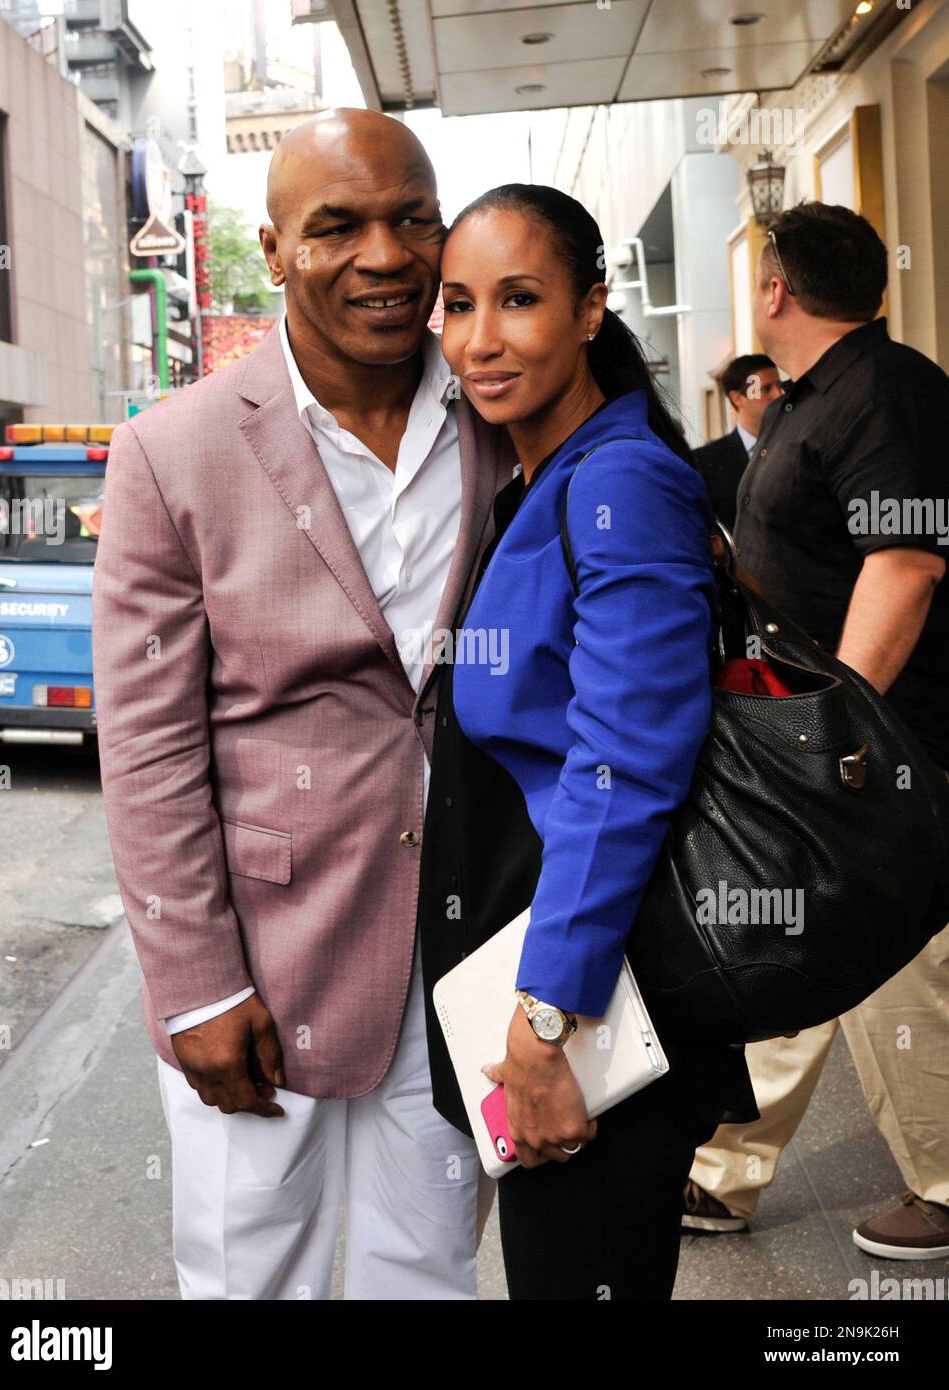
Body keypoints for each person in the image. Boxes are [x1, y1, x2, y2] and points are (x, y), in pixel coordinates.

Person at [91, 107, 518, 1300]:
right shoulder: (172, 453)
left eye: (411, 220)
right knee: (248, 1283)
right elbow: (149, 746)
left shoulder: (504, 419)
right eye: (337, 227)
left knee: (428, 1270)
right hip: (264, 967)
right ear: (272, 252)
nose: (384, 255)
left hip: (462, 947)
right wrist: (197, 985)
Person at [416, 182, 759, 1302]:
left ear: (591, 308)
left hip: (599, 1004)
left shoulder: (616, 481)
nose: (481, 338)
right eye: (457, 304)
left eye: (518, 299)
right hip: (561, 986)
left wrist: (545, 1022)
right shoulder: (547, 475)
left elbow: (627, 763)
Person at [684, 201, 949, 1261]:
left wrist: (846, 731)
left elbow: (907, 561)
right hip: (812, 732)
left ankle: (942, 1179)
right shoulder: (814, 396)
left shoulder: (884, 390)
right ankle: (723, 1169)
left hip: (880, 744)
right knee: (796, 935)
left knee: (893, 959)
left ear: (775, 288)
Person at [692, 354, 783, 530]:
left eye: (779, 386)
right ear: (737, 398)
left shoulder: (798, 447)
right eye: (765, 389)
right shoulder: (707, 461)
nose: (778, 394)